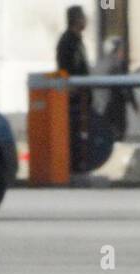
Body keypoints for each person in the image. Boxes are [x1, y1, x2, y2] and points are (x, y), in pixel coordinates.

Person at [56, 5, 90, 173]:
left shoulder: (78, 40)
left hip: (82, 93)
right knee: (74, 131)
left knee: (80, 131)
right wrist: (73, 88)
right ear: (75, 20)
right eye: (83, 17)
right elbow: (67, 68)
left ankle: (80, 164)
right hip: (73, 95)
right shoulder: (67, 42)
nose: (86, 20)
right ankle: (74, 167)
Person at [96, 36, 139, 144]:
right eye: (121, 48)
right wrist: (134, 104)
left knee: (106, 132)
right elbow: (126, 85)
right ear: (117, 49)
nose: (123, 51)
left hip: (102, 105)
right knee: (118, 133)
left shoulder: (101, 63)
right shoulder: (119, 63)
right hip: (117, 105)